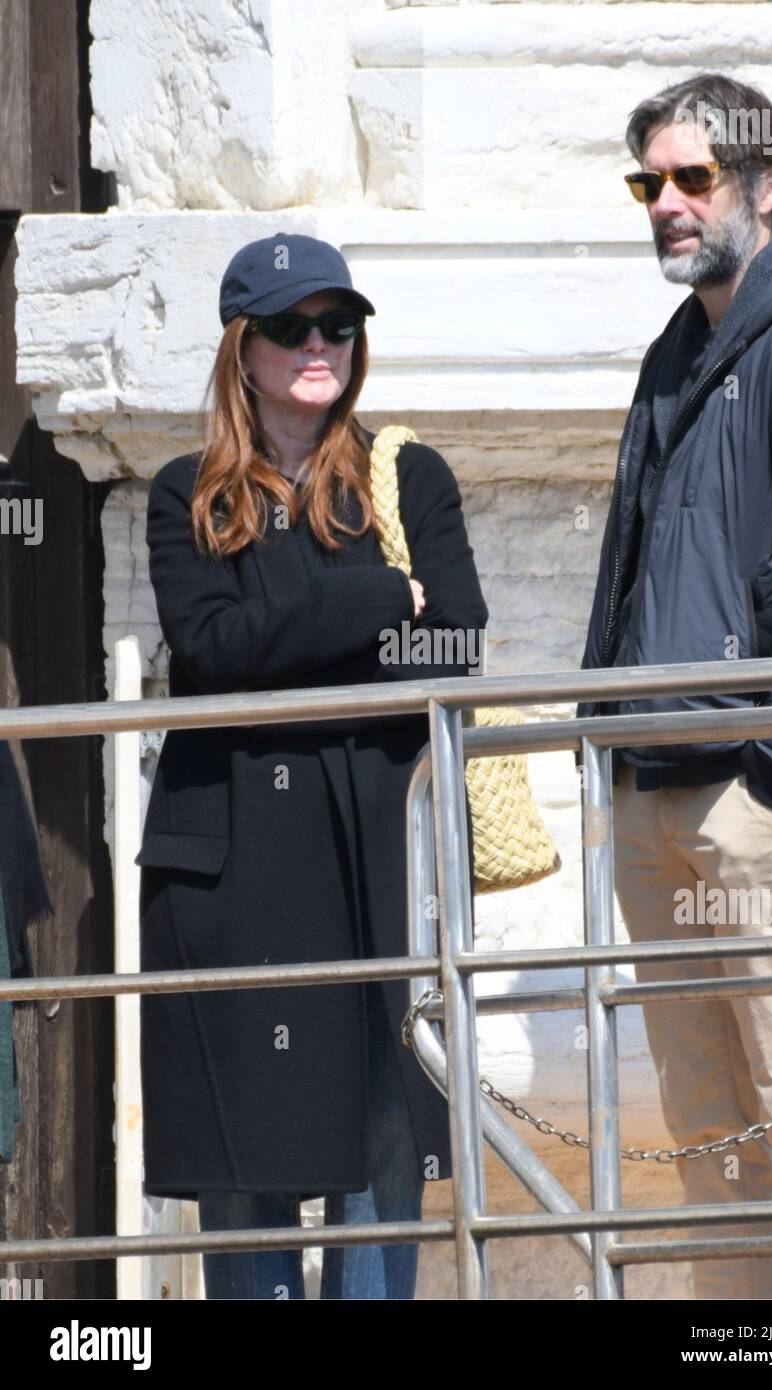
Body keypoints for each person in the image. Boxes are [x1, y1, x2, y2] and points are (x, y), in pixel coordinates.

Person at [135, 232, 488, 1299]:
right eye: (289, 326)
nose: (316, 343)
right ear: (242, 349)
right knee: (245, 1165)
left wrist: (305, 630)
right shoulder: (181, 493)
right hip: (233, 867)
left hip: (378, 853)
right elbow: (215, 652)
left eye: (337, 322)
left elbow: (455, 641)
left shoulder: (406, 476)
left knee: (385, 1149)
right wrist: (384, 598)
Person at [579, 73, 772, 1300]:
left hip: (762, 810)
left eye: (692, 178)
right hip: (656, 795)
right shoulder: (675, 350)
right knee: (707, 1144)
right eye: (649, 182)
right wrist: (606, 742)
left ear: (767, 183)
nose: (665, 204)